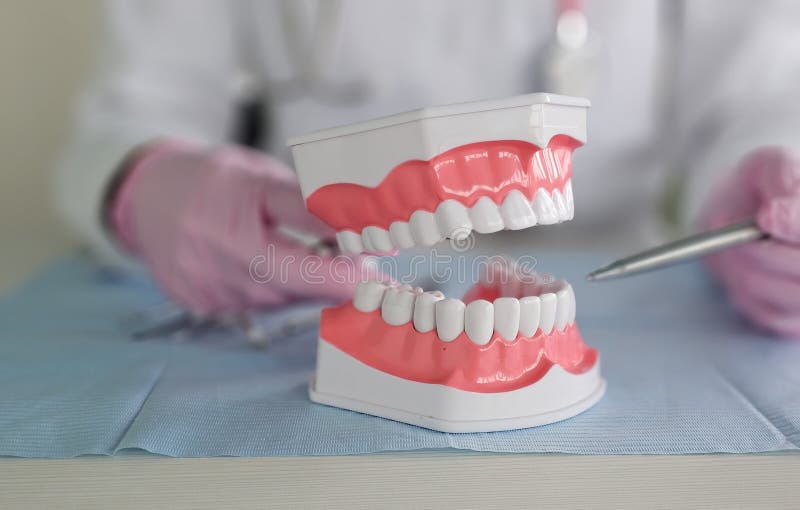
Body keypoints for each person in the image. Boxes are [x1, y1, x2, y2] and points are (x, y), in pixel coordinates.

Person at [56, 0, 800, 336]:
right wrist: (143, 183)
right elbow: (134, 109)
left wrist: (759, 196)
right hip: (305, 289)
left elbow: (765, 99)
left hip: (623, 289)